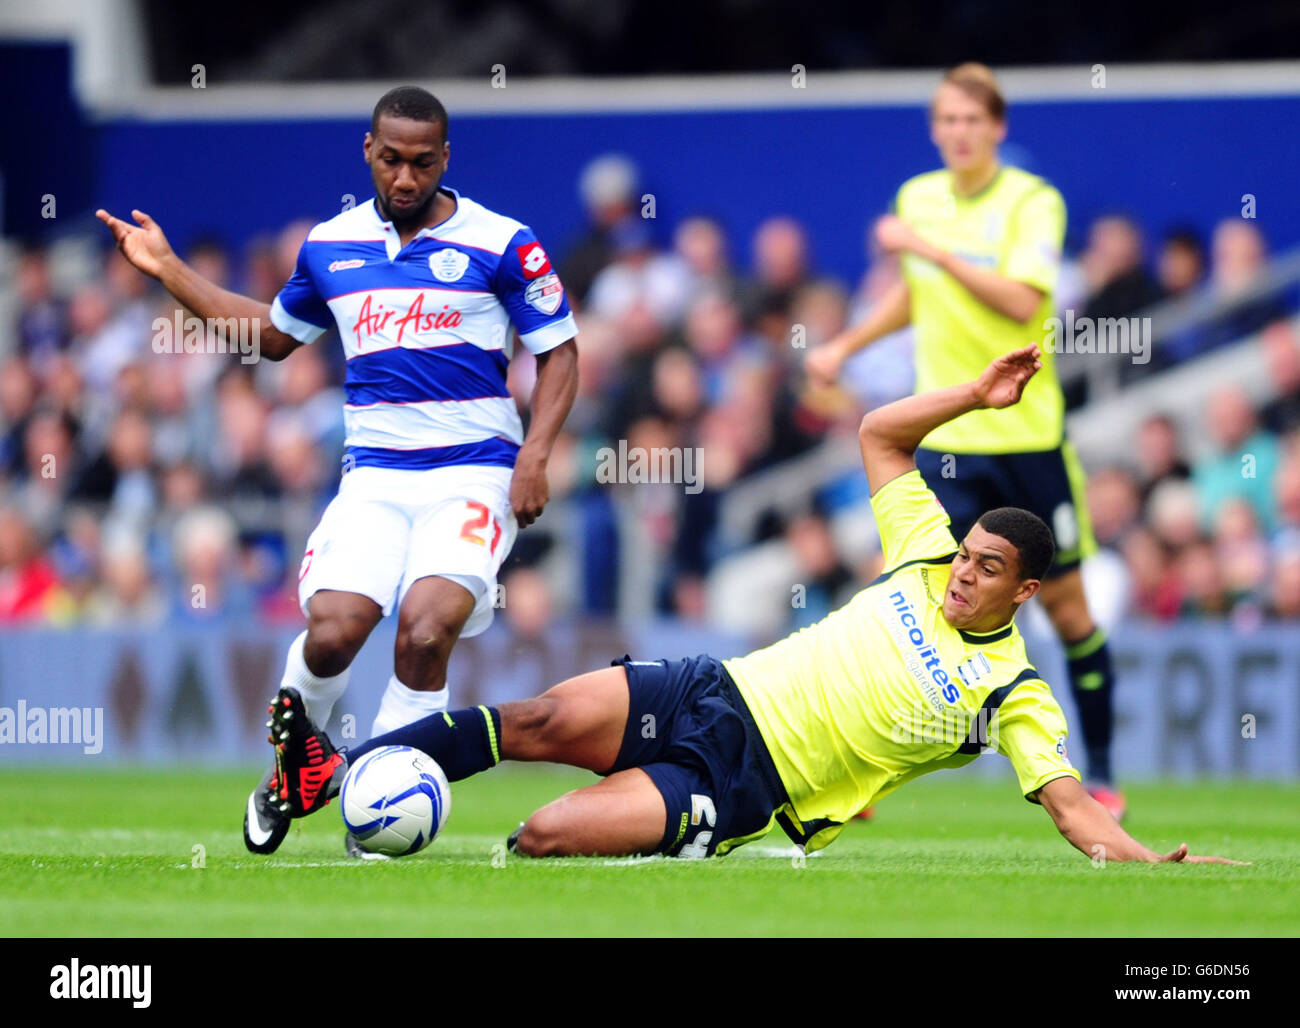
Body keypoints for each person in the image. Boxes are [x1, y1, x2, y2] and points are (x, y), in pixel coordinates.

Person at [268, 346, 1241, 866]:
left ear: (1025, 590)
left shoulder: (1012, 691)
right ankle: (329, 772)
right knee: (533, 718)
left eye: (985, 569)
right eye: (966, 553)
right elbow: (876, 432)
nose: (961, 572)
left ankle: (685, 835)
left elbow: (1070, 808)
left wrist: (1146, 858)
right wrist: (972, 399)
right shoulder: (922, 551)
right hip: (710, 687)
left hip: (745, 778)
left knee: (543, 837)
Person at [97, 85, 579, 855]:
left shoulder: (503, 243)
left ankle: (374, 801)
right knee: (334, 631)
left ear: (446, 159)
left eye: (423, 163)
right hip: (375, 480)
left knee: (425, 629)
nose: (406, 179)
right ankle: (292, 766)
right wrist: (167, 270)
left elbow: (558, 352)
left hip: (474, 474)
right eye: (391, 160)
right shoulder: (330, 246)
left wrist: (536, 452)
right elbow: (271, 337)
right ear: (368, 152)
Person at [805, 63, 1128, 821]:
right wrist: (845, 345)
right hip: (949, 438)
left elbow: (1021, 304)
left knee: (1070, 611)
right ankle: (852, 774)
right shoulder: (921, 196)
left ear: (998, 128)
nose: (958, 133)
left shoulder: (1031, 202)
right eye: (946, 120)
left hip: (1028, 439)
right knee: (909, 598)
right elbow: (920, 294)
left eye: (972, 121)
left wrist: (932, 248)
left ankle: (1103, 775)